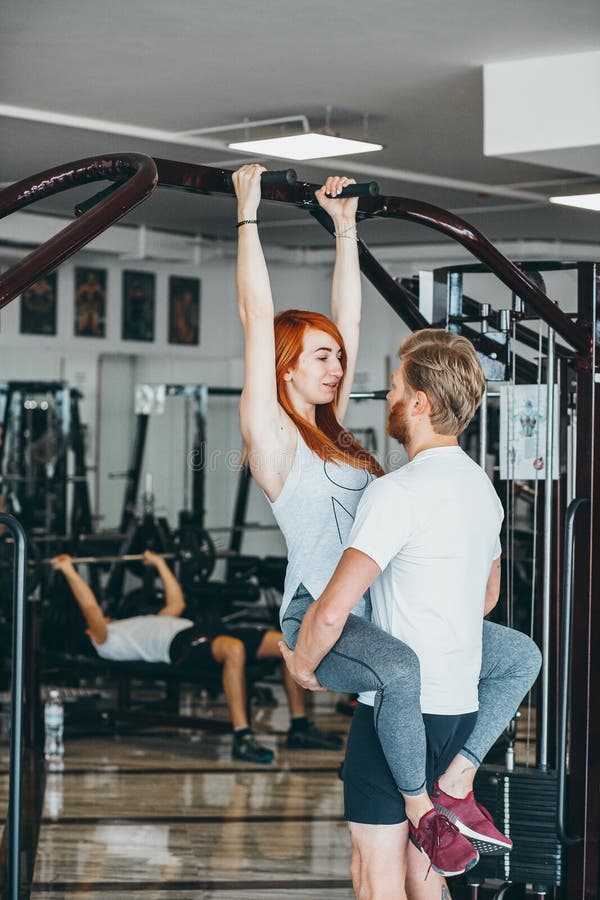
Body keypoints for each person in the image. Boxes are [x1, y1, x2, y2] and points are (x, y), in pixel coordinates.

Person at [233, 163, 541, 883]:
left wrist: (346, 231)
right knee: (401, 671)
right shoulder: (274, 442)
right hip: (322, 615)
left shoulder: (347, 443)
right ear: (282, 370)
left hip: (377, 617)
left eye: (340, 357)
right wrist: (246, 215)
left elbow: (353, 319)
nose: (339, 365)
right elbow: (255, 319)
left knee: (514, 655)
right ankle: (423, 809)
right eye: (321, 357)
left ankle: (451, 791)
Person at [280, 330, 539, 898]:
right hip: (458, 713)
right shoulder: (482, 488)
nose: (389, 398)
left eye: (395, 389)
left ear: (420, 402)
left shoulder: (398, 491)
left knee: (376, 877)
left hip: (395, 715)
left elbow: (332, 611)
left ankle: (437, 798)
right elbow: (486, 599)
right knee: (426, 879)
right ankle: (459, 778)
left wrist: (303, 667)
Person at [51, 551, 342, 764]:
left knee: (286, 641)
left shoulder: (136, 624)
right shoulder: (105, 639)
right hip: (180, 647)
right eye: (98, 619)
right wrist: (68, 570)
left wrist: (159, 564)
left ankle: (300, 726)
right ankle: (243, 736)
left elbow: (176, 603)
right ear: (90, 630)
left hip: (202, 630)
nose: (104, 616)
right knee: (233, 649)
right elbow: (89, 605)